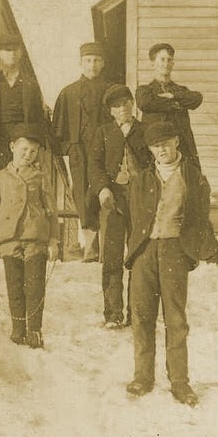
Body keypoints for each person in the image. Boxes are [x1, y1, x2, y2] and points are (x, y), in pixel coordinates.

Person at [124, 121, 218, 407]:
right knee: (141, 317)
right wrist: (137, 250)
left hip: (175, 251)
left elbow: (201, 217)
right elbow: (133, 215)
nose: (161, 150)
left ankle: (179, 381)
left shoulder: (193, 177)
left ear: (177, 141)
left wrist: (190, 252)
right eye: (155, 146)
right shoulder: (141, 179)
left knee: (176, 319)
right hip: (145, 252)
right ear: (150, 150)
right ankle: (143, 376)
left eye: (166, 143)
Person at [0, 123, 60, 349]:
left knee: (35, 287)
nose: (28, 155)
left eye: (33, 151)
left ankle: (34, 331)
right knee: (15, 287)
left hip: (35, 238)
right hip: (9, 241)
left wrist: (54, 240)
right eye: (24, 149)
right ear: (12, 147)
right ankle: (18, 330)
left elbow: (51, 210)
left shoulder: (40, 177)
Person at [87, 84, 152, 329]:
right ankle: (113, 314)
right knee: (112, 257)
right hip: (113, 199)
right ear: (111, 112)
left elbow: (154, 164)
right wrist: (103, 188)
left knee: (139, 257)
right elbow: (94, 165)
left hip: (141, 199)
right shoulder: (103, 132)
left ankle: (138, 313)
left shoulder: (146, 131)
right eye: (116, 106)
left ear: (132, 104)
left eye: (126, 102)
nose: (122, 108)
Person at [52, 41, 113, 262]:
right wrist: (68, 147)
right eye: (88, 60)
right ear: (81, 63)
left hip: (104, 152)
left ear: (103, 63)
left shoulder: (111, 91)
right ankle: (90, 246)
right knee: (81, 194)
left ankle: (104, 245)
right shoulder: (68, 93)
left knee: (100, 192)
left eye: (97, 60)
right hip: (79, 152)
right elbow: (58, 128)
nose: (93, 65)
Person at [0, 34, 55, 178]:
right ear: (0, 54)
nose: (11, 54)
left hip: (23, 142)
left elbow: (37, 118)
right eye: (7, 50)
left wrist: (39, 144)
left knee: (23, 182)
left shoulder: (30, 84)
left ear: (20, 53)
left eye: (14, 50)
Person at [135, 43, 204, 168]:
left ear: (173, 64)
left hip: (180, 146)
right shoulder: (144, 90)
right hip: (155, 147)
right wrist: (177, 104)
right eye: (162, 59)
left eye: (169, 60)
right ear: (152, 63)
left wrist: (173, 96)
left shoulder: (180, 90)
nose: (166, 63)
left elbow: (197, 99)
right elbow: (145, 103)